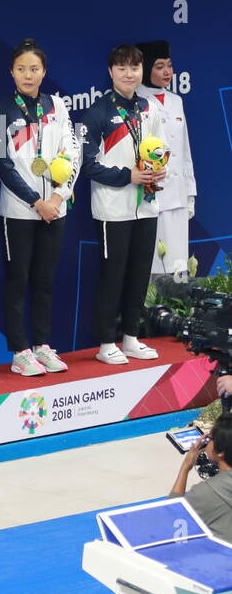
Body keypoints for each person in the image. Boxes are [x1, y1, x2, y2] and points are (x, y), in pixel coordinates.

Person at [0, 39, 81, 376]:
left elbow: (71, 153)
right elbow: (3, 164)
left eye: (34, 69)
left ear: (44, 71)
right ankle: (20, 352)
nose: (27, 75)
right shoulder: (1, 110)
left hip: (55, 209)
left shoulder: (56, 106)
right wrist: (36, 201)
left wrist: (58, 198)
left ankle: (42, 345)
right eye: (21, 69)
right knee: (18, 281)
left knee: (44, 281)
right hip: (19, 211)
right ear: (11, 72)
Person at [79, 45, 166, 365]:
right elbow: (85, 164)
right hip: (112, 207)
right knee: (112, 274)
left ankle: (131, 337)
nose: (129, 74)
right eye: (122, 68)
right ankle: (105, 343)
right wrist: (127, 176)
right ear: (111, 72)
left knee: (139, 272)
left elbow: (161, 148)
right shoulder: (97, 112)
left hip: (147, 204)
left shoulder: (149, 108)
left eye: (135, 68)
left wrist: (160, 169)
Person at [137, 40, 198, 280]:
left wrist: (190, 193)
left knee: (178, 267)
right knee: (152, 266)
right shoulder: (137, 101)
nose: (166, 72)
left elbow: (185, 152)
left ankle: (177, 314)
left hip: (178, 195)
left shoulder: (176, 101)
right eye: (159, 66)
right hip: (152, 195)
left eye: (169, 66)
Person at [169, 415, 232, 543]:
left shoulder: (206, 492)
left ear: (220, 452)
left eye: (210, 439)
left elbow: (172, 513)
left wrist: (185, 467)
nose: (207, 442)